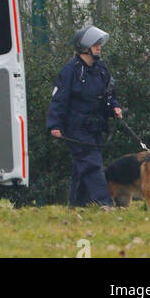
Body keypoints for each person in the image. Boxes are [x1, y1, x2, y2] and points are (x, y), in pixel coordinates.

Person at [46, 25, 123, 207]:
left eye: (99, 44)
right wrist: (54, 125)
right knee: (92, 165)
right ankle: (105, 204)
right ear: (84, 48)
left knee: (81, 169)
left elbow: (109, 94)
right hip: (76, 128)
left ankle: (77, 206)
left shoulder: (101, 70)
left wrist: (115, 107)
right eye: (95, 44)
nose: (99, 47)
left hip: (95, 127)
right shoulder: (70, 71)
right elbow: (59, 99)